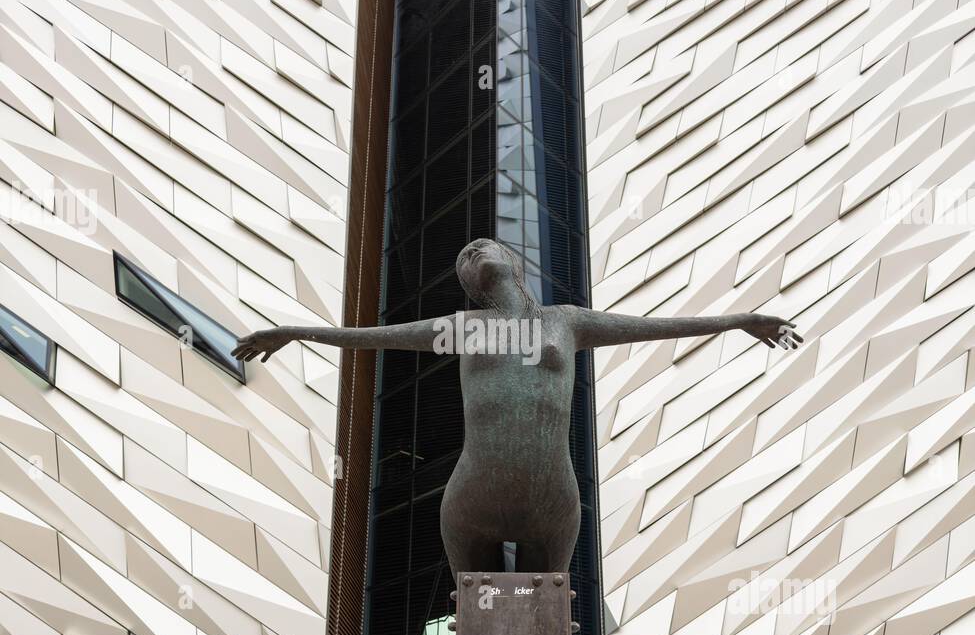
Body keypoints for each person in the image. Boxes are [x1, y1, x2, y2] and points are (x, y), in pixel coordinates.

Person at [235, 239, 801, 578]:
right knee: (480, 613)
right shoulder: (463, 327)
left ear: (510, 260)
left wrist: (737, 320)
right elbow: (370, 336)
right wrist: (295, 332)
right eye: (463, 257)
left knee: (548, 613)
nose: (471, 253)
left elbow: (657, 327)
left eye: (481, 246)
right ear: (468, 285)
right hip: (473, 493)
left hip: (552, 494)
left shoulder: (567, 321)